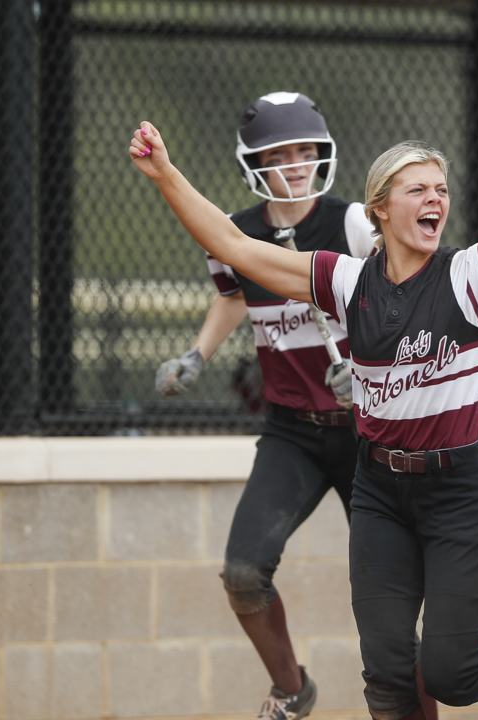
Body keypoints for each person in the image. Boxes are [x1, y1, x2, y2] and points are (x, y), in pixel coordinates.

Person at [130, 50, 478, 720]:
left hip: (458, 493)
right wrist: (165, 174)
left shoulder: (470, 276)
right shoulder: (346, 280)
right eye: (417, 189)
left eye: (441, 190)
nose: (435, 200)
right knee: (390, 680)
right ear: (382, 210)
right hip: (380, 492)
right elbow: (236, 246)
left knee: (450, 674)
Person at [151, 91, 431, 720]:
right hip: (292, 433)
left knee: (393, 610)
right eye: (282, 152)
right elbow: (233, 297)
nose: (298, 163)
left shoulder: (356, 224)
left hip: (370, 436)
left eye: (308, 150)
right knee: (245, 573)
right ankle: (291, 690)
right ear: (254, 161)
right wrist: (196, 354)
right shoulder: (234, 233)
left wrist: (366, 367)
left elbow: (407, 301)